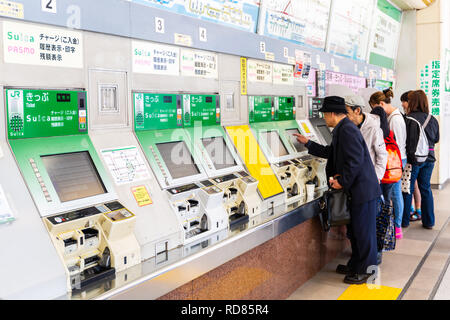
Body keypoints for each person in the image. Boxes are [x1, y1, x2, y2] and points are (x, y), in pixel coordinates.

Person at [294, 96, 381, 285]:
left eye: (325, 114)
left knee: (364, 233)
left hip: (363, 191)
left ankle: (367, 270)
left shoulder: (347, 130)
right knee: (356, 231)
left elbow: (355, 160)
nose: (324, 118)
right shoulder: (342, 129)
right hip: (356, 190)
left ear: (333, 114)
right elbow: (331, 153)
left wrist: (343, 182)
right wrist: (308, 143)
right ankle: (356, 265)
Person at [370, 89, 406, 237]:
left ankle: (397, 227)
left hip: (395, 161)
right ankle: (396, 226)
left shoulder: (395, 119)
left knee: (396, 194)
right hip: (395, 160)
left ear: (381, 104)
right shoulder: (392, 117)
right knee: (393, 194)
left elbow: (393, 144)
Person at [402, 90, 440, 230]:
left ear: (413, 102)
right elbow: (436, 138)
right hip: (430, 158)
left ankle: (404, 221)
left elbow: (406, 141)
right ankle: (429, 221)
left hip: (414, 160)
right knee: (426, 189)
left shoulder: (409, 119)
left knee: (408, 189)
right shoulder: (432, 119)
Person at [401, 91, 423, 222]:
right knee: (416, 185)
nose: (403, 104)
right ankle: (417, 210)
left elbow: (409, 141)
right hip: (424, 157)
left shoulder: (410, 119)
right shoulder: (427, 117)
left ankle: (409, 213)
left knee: (410, 186)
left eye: (404, 101)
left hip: (412, 158)